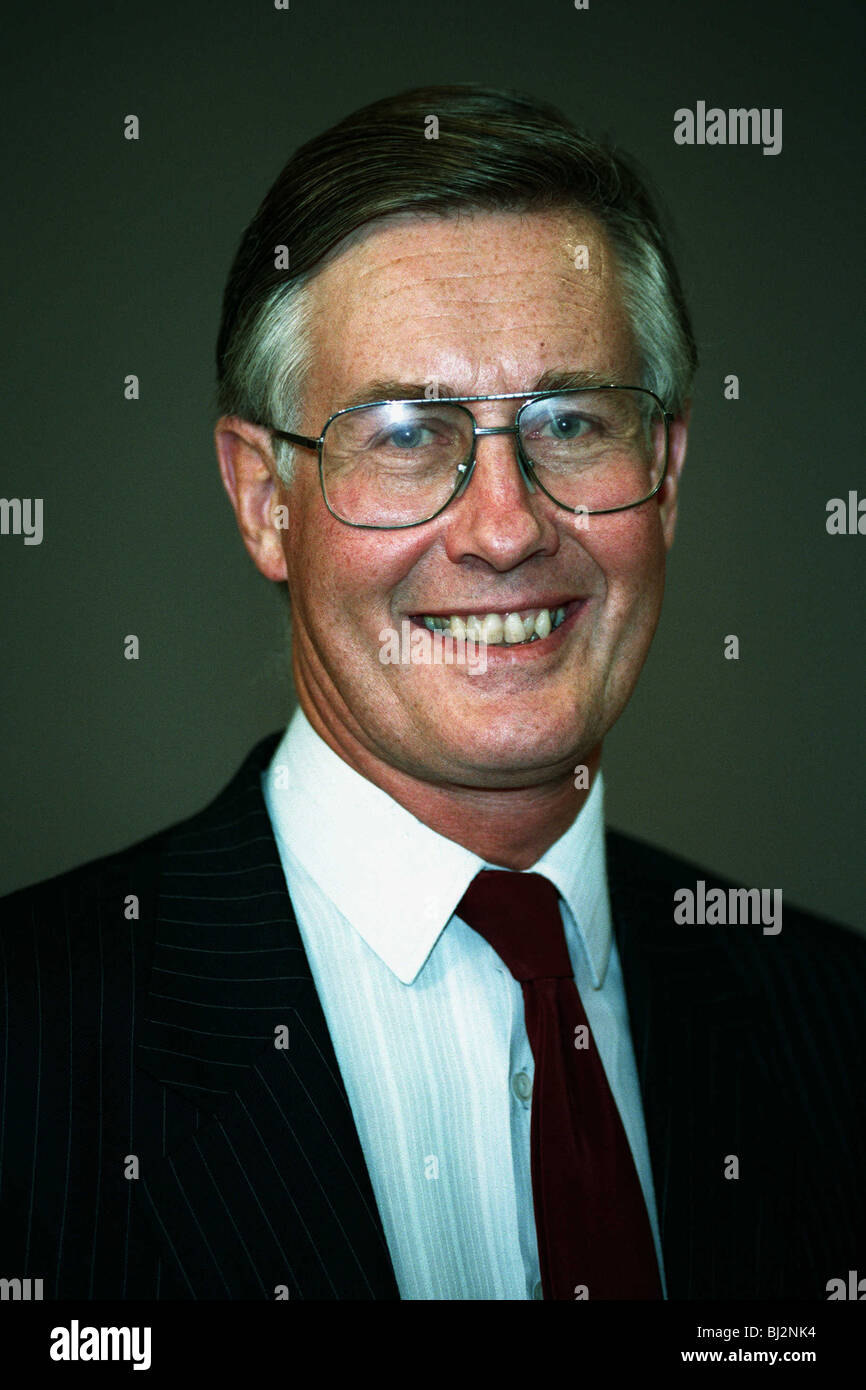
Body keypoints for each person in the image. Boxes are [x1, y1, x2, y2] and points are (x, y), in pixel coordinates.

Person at [1, 85, 863, 1302]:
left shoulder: (837, 1028)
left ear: (664, 476)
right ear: (265, 499)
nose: (506, 528)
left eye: (570, 420)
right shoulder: (26, 1054)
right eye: (404, 431)